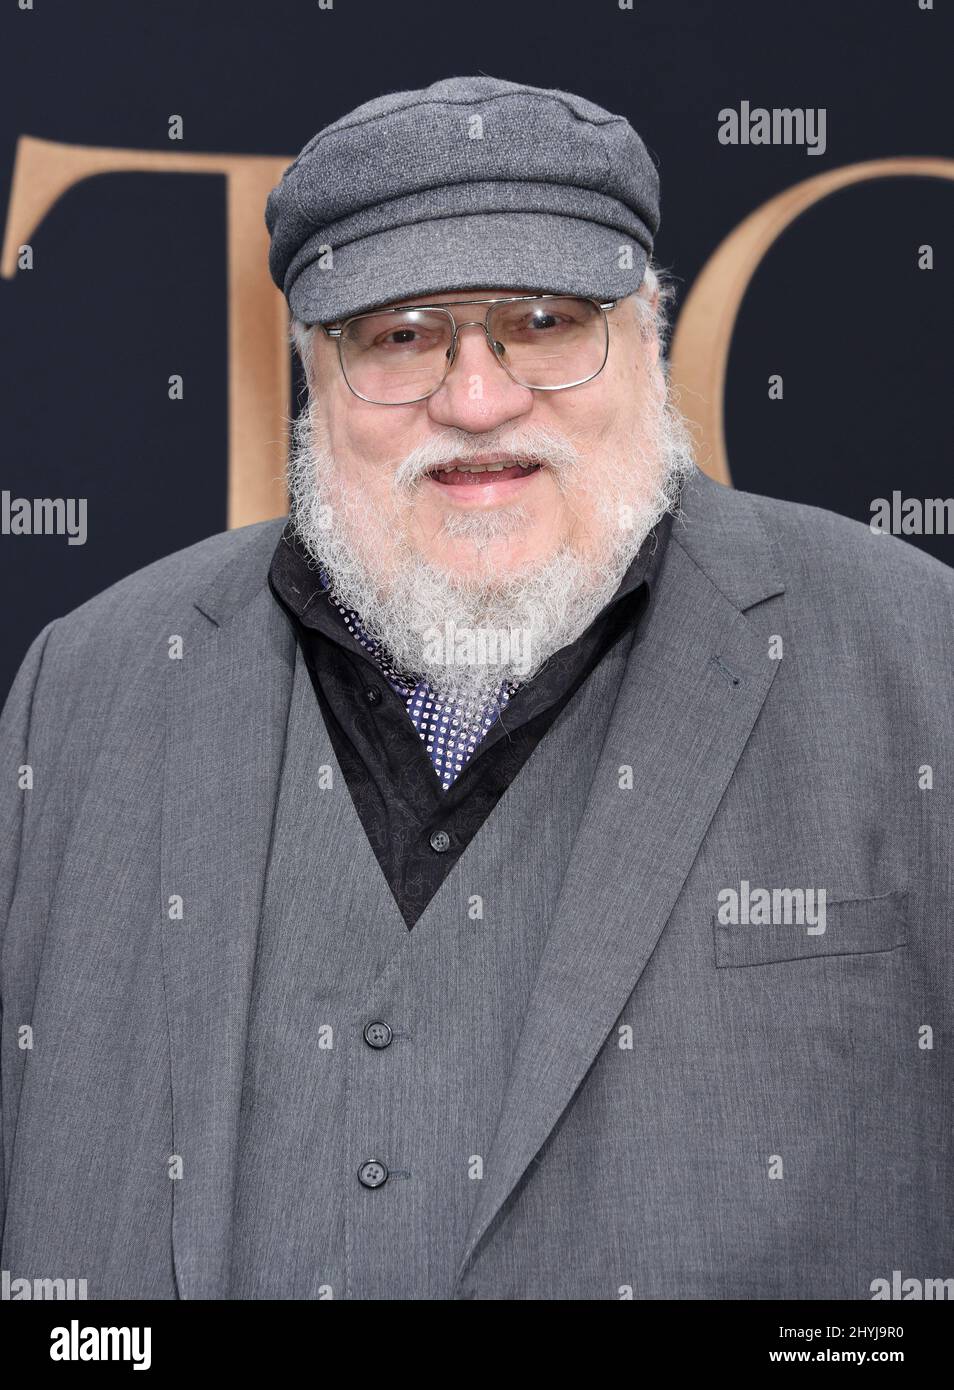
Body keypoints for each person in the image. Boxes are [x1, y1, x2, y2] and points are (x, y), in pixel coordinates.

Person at [1, 76, 950, 1301]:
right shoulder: (82, 691)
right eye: (401, 335)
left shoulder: (918, 655)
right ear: (311, 372)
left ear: (646, 338)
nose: (480, 397)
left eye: (545, 319)